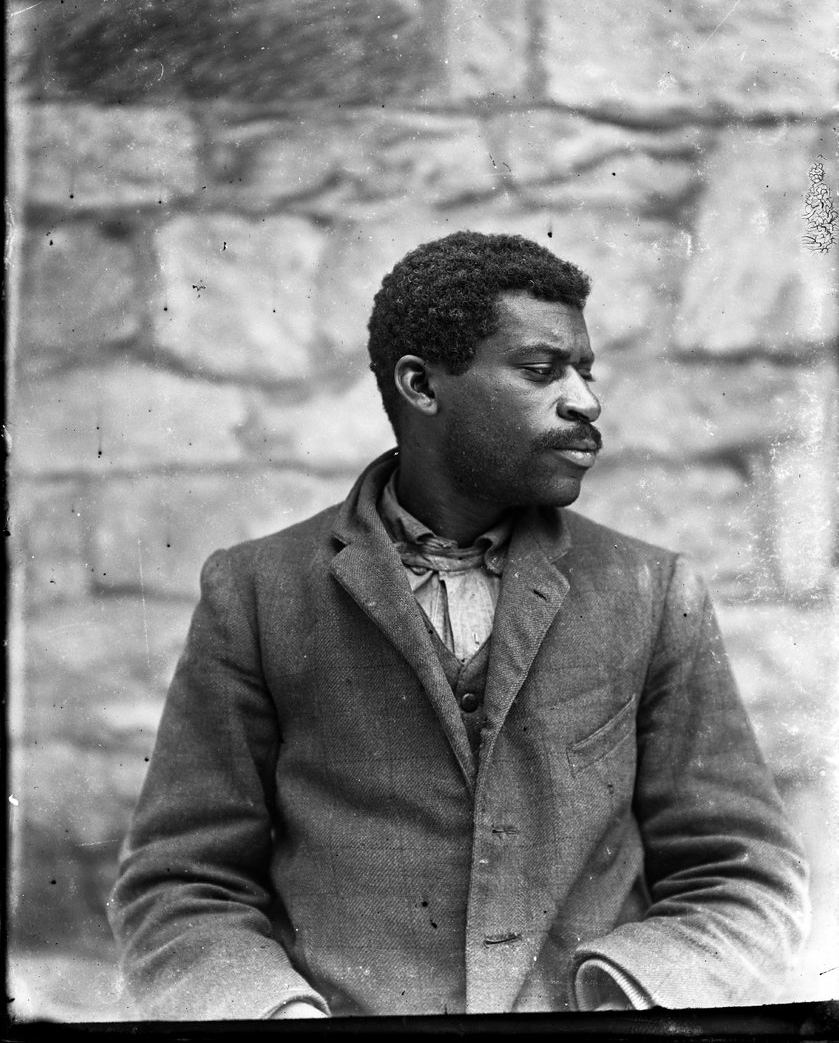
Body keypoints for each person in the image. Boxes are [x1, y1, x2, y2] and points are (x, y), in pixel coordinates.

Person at [108, 231, 809, 1019]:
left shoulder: (651, 589)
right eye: (542, 370)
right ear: (421, 385)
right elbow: (179, 885)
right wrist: (277, 1019)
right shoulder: (256, 590)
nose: (585, 399)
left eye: (585, 369)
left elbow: (746, 878)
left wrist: (626, 996)